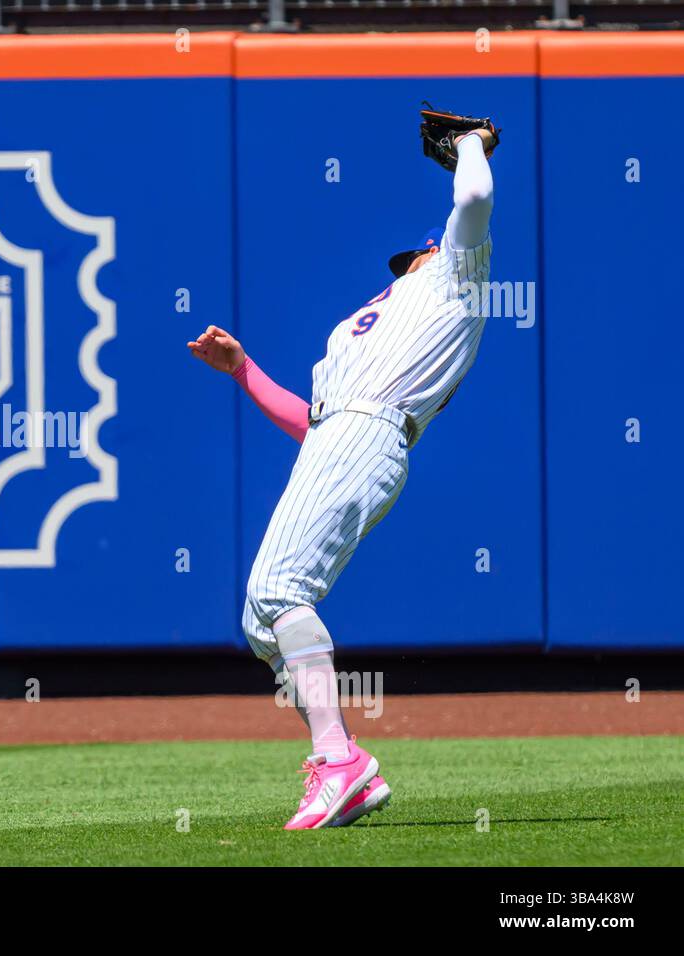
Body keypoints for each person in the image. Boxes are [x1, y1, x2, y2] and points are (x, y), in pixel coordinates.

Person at [188, 125, 497, 829]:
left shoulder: (457, 277)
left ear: (432, 249)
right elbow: (312, 422)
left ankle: (341, 763)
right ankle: (337, 757)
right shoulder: (374, 319)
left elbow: (474, 191)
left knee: (278, 590)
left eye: (412, 256)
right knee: (261, 619)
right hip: (340, 433)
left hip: (371, 430)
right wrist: (244, 372)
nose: (403, 267)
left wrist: (473, 141)